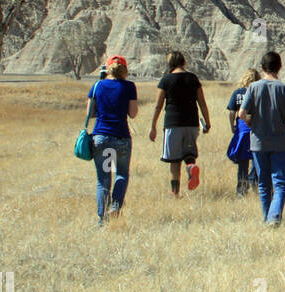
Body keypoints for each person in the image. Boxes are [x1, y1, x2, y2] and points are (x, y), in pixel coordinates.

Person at [238, 51, 285, 226]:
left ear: (262, 68)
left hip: (258, 142)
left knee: (263, 183)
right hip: (279, 143)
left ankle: (267, 218)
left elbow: (242, 113)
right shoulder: (284, 88)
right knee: (279, 183)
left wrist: (251, 122)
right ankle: (274, 216)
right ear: (280, 67)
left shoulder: (253, 87)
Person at [149, 50, 211, 196]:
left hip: (173, 123)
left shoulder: (166, 80)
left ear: (170, 63)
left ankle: (175, 192)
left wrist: (153, 126)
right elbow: (202, 103)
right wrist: (207, 122)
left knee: (174, 159)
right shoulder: (193, 78)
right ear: (184, 62)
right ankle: (190, 167)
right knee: (189, 152)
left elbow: (158, 105)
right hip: (192, 123)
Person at [84, 55, 138, 223]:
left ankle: (102, 220)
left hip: (101, 138)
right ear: (125, 69)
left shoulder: (98, 85)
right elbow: (133, 113)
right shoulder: (129, 86)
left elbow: (89, 113)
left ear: (107, 68)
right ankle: (115, 207)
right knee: (121, 174)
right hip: (121, 137)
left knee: (103, 180)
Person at [226, 68, 259, 195]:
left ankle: (241, 190)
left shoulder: (237, 93)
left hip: (242, 132)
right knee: (257, 159)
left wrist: (232, 127)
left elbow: (232, 112)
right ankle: (255, 184)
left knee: (242, 162)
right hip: (256, 130)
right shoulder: (258, 92)